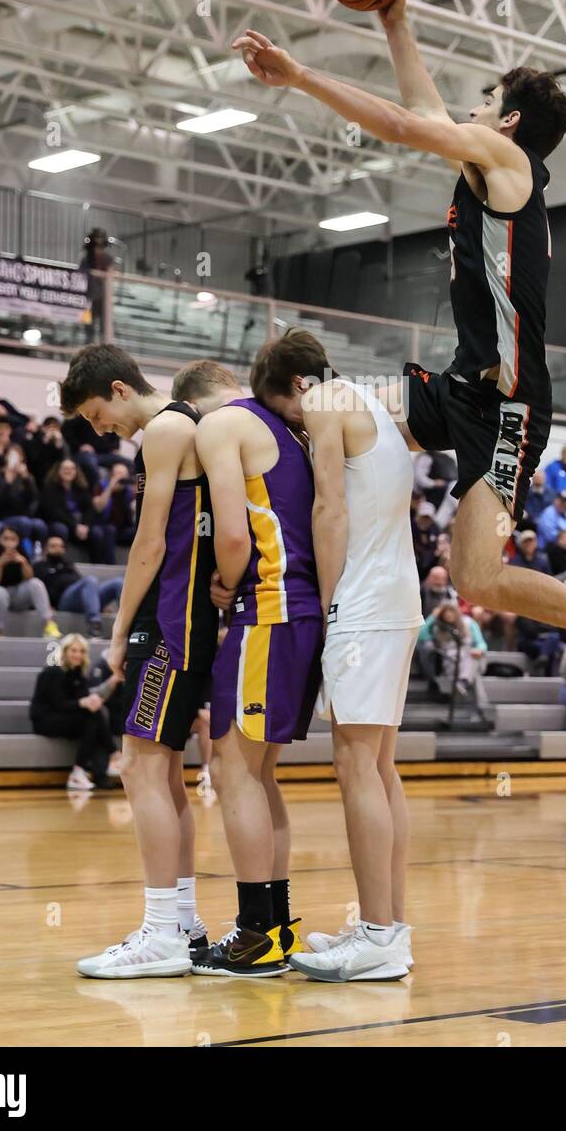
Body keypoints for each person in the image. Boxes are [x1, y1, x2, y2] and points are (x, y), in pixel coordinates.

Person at [232, 0, 566, 721]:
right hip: (458, 387)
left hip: (508, 407)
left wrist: (300, 75)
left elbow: (411, 124)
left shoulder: (510, 162)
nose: (469, 109)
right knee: (325, 408)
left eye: (485, 100)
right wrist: (393, 18)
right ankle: (339, 583)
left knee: (478, 577)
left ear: (506, 123)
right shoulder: (485, 159)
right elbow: (423, 108)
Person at [252, 330, 419, 982]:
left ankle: (379, 935)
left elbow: (329, 508)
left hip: (364, 600)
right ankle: (388, 926)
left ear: (299, 386)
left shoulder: (324, 403)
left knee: (355, 763)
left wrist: (323, 609)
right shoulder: (377, 403)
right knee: (378, 763)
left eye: (286, 412)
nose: (294, 426)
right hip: (395, 595)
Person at [60, 345, 224, 980]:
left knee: (138, 767)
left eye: (99, 415)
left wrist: (119, 628)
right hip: (188, 620)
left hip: (171, 624)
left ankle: (161, 932)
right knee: (162, 771)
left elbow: (149, 543)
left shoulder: (164, 430)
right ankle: (180, 920)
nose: (101, 430)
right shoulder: (190, 424)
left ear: (122, 389)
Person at [174, 355, 323, 979]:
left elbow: (234, 539)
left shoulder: (223, 425)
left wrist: (222, 584)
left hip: (268, 610)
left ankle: (257, 933)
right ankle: (277, 926)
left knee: (230, 768)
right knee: (258, 776)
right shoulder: (292, 431)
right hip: (304, 612)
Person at [29, 634, 122, 789]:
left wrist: (92, 701)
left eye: (81, 651)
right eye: (73, 650)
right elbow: (58, 704)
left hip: (65, 717)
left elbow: (83, 698)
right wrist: (83, 702)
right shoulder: (53, 671)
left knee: (94, 716)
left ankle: (80, 772)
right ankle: (114, 755)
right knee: (92, 717)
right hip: (45, 720)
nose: (78, 655)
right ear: (65, 651)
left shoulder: (78, 673)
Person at [34, 535, 122, 637]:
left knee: (118, 582)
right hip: (64, 601)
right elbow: (38, 588)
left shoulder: (68, 564)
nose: (58, 549)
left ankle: (127, 624)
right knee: (90, 580)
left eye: (60, 546)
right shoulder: (40, 566)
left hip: (83, 597)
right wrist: (47, 604)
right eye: (53, 546)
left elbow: (82, 583)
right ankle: (94, 624)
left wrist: (100, 603)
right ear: (45, 549)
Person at [0, 526, 60, 639]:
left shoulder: (21, 552)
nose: (9, 542)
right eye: (6, 538)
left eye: (13, 539)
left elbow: (29, 577)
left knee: (35, 583)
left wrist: (23, 562)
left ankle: (49, 624)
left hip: (16, 594)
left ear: (18, 541)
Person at [39, 458, 116, 564]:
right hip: (62, 524)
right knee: (60, 529)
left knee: (98, 532)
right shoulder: (50, 489)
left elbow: (90, 509)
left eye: (72, 469)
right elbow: (54, 513)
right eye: (65, 468)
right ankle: (60, 563)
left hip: (80, 527)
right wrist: (75, 526)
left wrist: (85, 525)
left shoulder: (81, 488)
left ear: (76, 471)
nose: (68, 471)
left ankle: (98, 564)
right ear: (58, 471)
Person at [79, 227, 114, 344]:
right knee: (89, 324)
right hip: (89, 294)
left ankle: (105, 346)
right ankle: (88, 345)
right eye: (97, 237)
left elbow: (110, 274)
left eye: (101, 238)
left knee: (104, 324)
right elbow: (81, 275)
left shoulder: (108, 259)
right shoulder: (86, 259)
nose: (99, 240)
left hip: (103, 295)